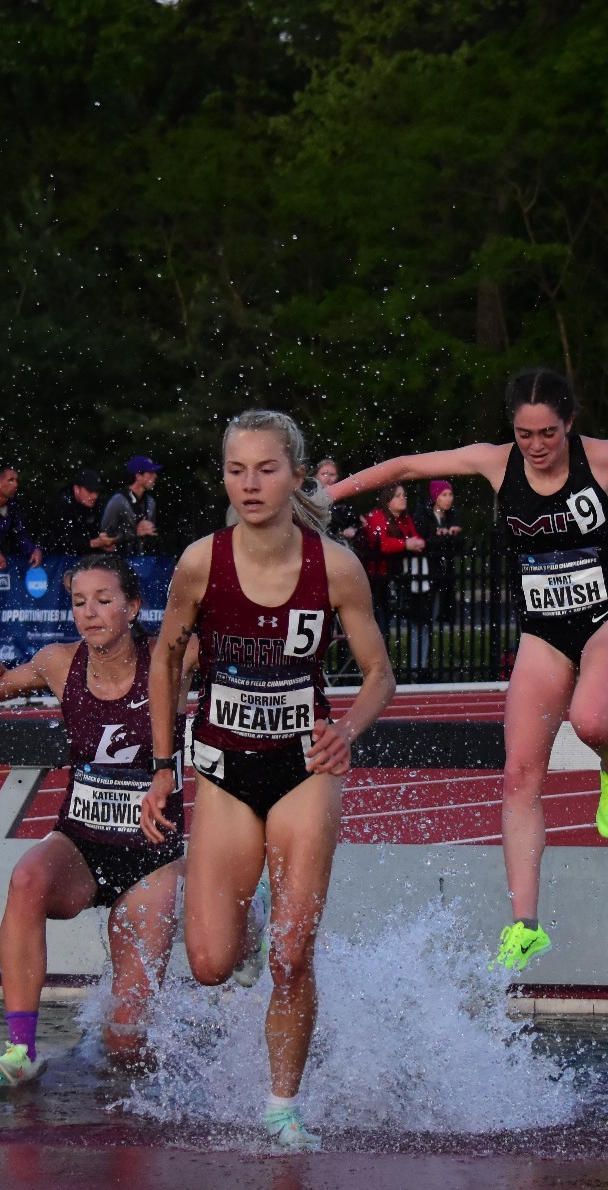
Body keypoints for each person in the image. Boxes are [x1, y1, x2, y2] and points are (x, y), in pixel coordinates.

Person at [327, 368, 608, 970]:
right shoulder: (496, 463)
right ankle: (524, 924)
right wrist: (323, 497)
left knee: (591, 721)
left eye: (548, 433)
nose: (536, 446)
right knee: (518, 775)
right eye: (524, 434)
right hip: (544, 631)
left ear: (570, 424)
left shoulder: (603, 456)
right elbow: (403, 468)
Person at [143, 409, 394, 1150]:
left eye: (266, 469)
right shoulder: (200, 562)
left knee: (292, 953)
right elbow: (164, 657)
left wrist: (347, 727)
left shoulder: (335, 566)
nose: (250, 484)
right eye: (236, 470)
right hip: (221, 768)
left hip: (302, 770)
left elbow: (380, 673)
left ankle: (282, 1104)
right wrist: (163, 767)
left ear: (294, 474)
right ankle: (249, 924)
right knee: (213, 963)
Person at [0, 555, 188, 1087]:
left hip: (152, 852)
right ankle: (20, 1049)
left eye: (104, 601)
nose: (90, 613)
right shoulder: (60, 662)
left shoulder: (170, 659)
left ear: (134, 607)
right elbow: (1, 686)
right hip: (81, 841)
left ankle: (149, 1104)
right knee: (26, 878)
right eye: (79, 602)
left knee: (126, 1041)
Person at [360, 484, 426, 643]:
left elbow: (417, 538)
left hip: (394, 574)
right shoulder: (377, 516)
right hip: (375, 575)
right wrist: (405, 544)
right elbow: (382, 544)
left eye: (404, 495)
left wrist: (416, 543)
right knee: (379, 616)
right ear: (387, 500)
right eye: (397, 495)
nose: (403, 498)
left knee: (388, 615)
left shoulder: (405, 519)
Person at [424, 479, 466, 631]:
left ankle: (444, 621)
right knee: (430, 602)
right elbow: (425, 539)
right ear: (436, 497)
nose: (449, 498)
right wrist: (437, 537)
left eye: (450, 494)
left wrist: (454, 535)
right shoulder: (425, 515)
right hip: (430, 565)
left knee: (446, 599)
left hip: (446, 566)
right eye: (444, 495)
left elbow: (460, 544)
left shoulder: (453, 515)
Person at [101, 456, 162, 555]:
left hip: (145, 560)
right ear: (138, 476)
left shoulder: (150, 502)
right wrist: (134, 534)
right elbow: (105, 538)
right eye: (150, 473)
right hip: (121, 561)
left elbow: (152, 535)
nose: (155, 476)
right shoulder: (118, 501)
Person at [55, 468, 118, 559]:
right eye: (90, 491)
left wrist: (104, 542)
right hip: (60, 562)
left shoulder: (97, 506)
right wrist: (94, 543)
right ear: (77, 489)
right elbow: (61, 541)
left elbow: (98, 531)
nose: (94, 496)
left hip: (87, 559)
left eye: (96, 492)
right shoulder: (62, 506)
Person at [314, 459, 359, 546]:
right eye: (324, 474)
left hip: (340, 545)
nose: (328, 478)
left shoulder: (344, 500)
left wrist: (352, 529)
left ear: (337, 477)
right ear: (316, 476)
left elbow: (357, 523)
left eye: (332, 474)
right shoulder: (309, 498)